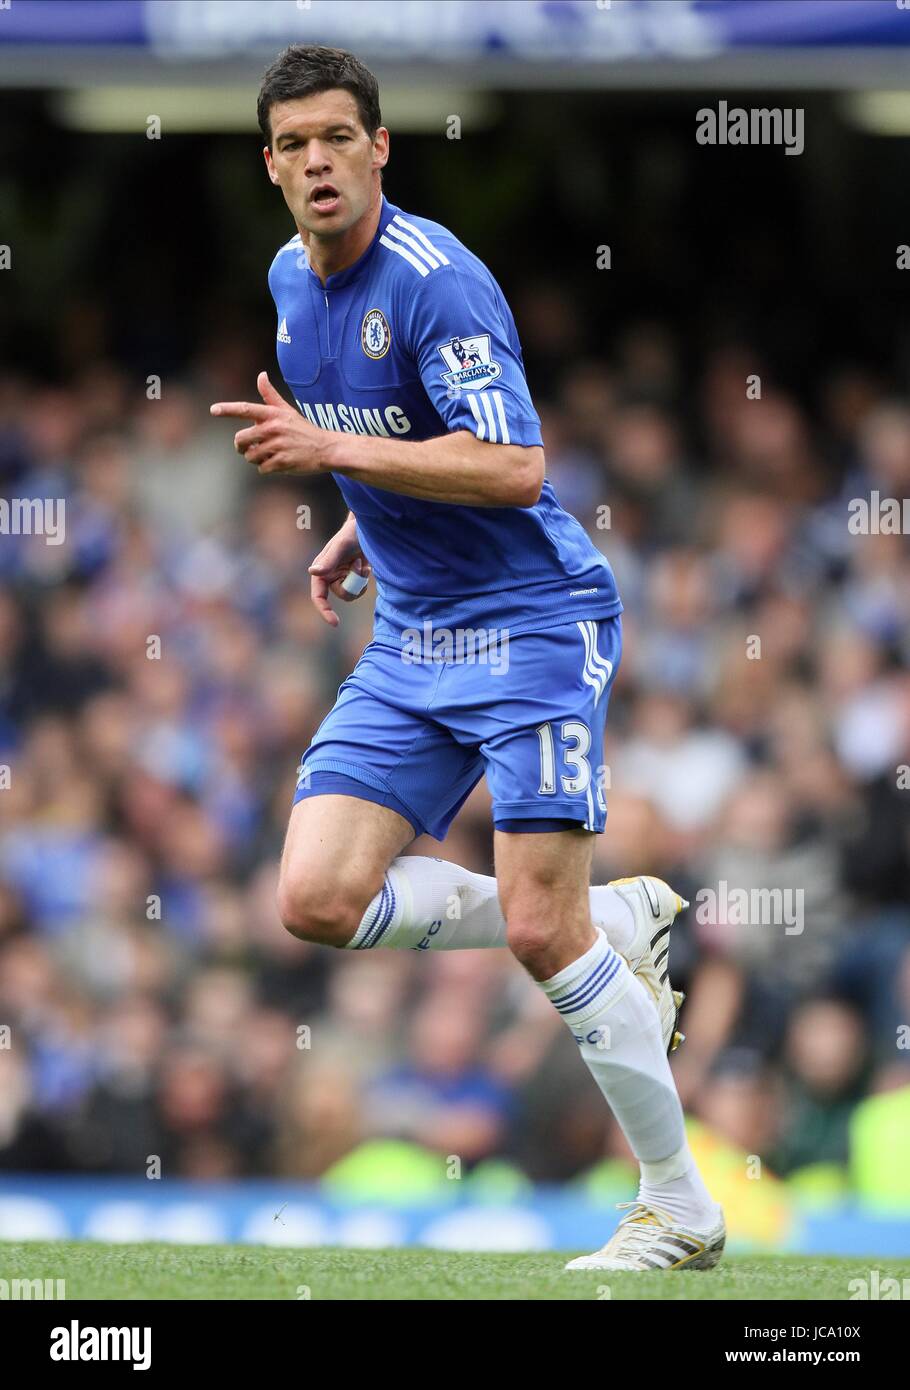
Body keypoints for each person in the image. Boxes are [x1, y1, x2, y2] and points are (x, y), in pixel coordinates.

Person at [210, 43, 724, 1271]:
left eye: (340, 137)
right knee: (316, 898)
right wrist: (352, 527)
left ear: (379, 148)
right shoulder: (290, 275)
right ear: (270, 165)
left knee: (544, 940)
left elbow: (511, 466)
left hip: (532, 621)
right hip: (413, 631)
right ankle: (606, 918)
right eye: (295, 145)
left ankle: (681, 1209)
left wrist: (330, 450)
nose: (319, 161)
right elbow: (399, 434)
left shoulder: (440, 281)